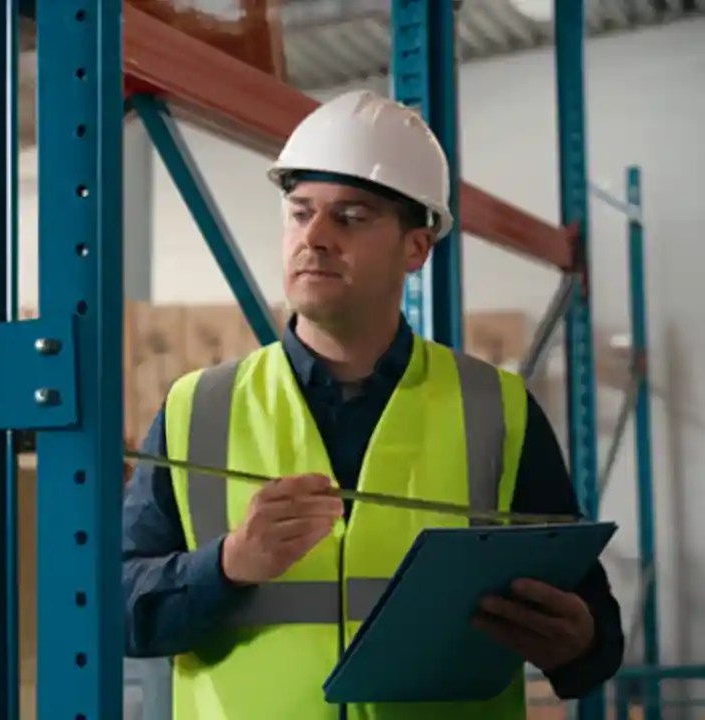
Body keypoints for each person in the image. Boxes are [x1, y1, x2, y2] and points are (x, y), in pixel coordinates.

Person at [121, 89, 624, 719]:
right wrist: (227, 564)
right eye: (300, 213)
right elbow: (115, 608)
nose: (315, 238)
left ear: (416, 248)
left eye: (350, 217)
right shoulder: (198, 406)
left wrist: (580, 640)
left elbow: (592, 627)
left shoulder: (497, 409)